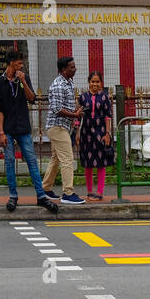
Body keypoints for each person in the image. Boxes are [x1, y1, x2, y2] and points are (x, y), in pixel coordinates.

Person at [0, 50, 57, 213]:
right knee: (9, 161)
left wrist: (23, 81)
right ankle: (13, 195)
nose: (21, 66)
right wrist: (0, 132)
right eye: (19, 63)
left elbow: (32, 99)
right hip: (7, 128)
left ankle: (41, 196)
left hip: (23, 128)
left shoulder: (23, 78)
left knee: (32, 161)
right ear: (11, 63)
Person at [41, 56, 86, 206]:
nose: (75, 69)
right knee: (67, 159)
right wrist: (74, 114)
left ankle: (45, 188)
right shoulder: (59, 85)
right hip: (57, 127)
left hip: (62, 127)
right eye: (72, 67)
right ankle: (68, 193)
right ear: (63, 70)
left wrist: (75, 112)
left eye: (74, 66)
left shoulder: (68, 82)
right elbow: (56, 109)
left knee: (56, 159)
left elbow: (65, 105)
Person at [76, 72, 114, 201]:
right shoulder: (82, 98)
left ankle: (99, 191)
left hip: (101, 133)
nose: (95, 84)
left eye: (97, 82)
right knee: (88, 163)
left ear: (101, 83)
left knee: (101, 163)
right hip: (86, 133)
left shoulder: (104, 98)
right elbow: (78, 117)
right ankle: (90, 191)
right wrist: (77, 132)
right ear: (89, 82)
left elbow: (108, 116)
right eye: (93, 81)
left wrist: (107, 133)